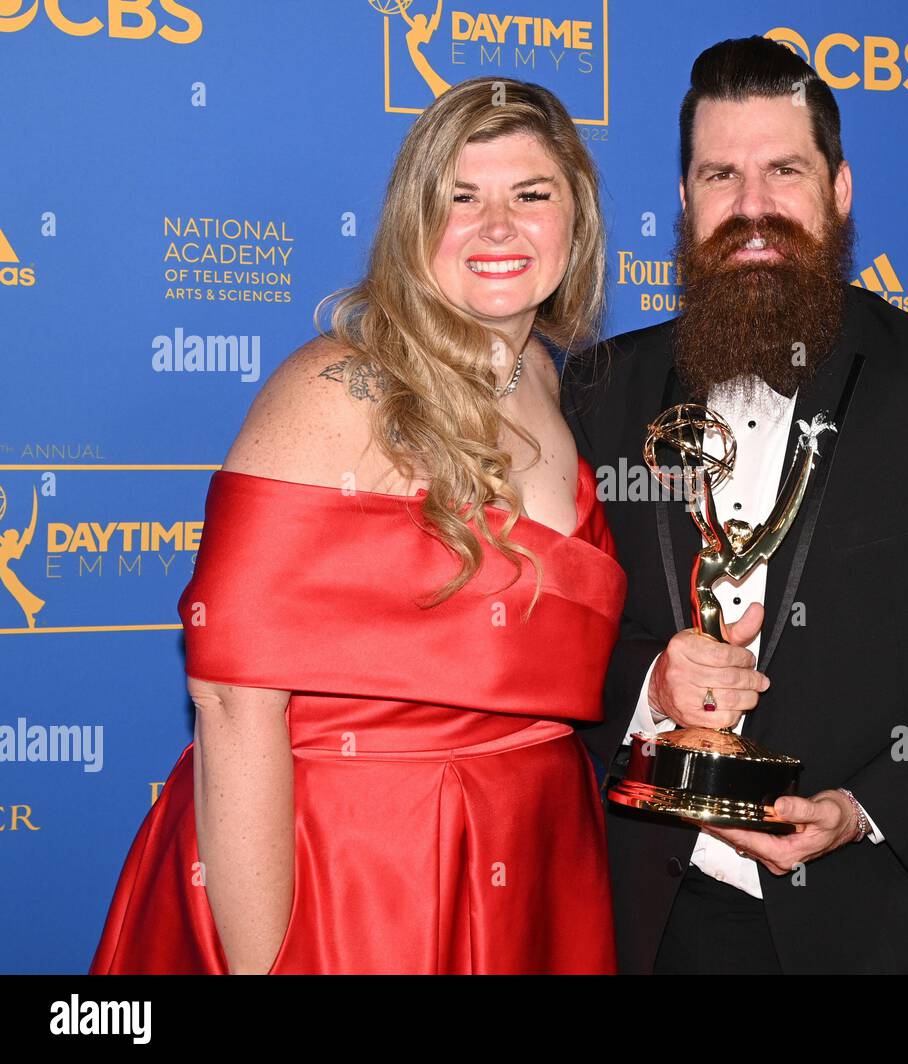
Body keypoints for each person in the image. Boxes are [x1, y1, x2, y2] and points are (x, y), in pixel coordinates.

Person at [562, 36, 908, 974]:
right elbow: (550, 645)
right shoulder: (602, 389)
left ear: (840, 188)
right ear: (686, 202)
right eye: (720, 175)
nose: (752, 208)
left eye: (784, 170)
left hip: (899, 926)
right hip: (660, 929)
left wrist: (865, 809)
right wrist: (651, 687)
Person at [90, 77, 625, 975]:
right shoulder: (340, 388)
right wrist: (268, 959)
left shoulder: (543, 373)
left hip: (539, 848)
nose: (499, 226)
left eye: (531, 195)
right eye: (461, 198)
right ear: (414, 224)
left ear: (576, 220)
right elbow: (231, 701)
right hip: (363, 867)